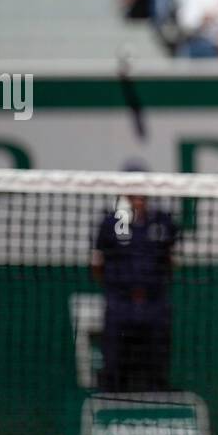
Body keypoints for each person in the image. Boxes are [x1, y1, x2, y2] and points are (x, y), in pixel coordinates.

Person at [91, 165, 178, 393]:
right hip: (121, 302)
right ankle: (112, 400)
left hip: (154, 301)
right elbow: (98, 263)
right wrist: (119, 288)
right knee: (116, 356)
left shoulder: (162, 221)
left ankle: (158, 401)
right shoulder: (111, 223)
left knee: (156, 354)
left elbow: (170, 259)